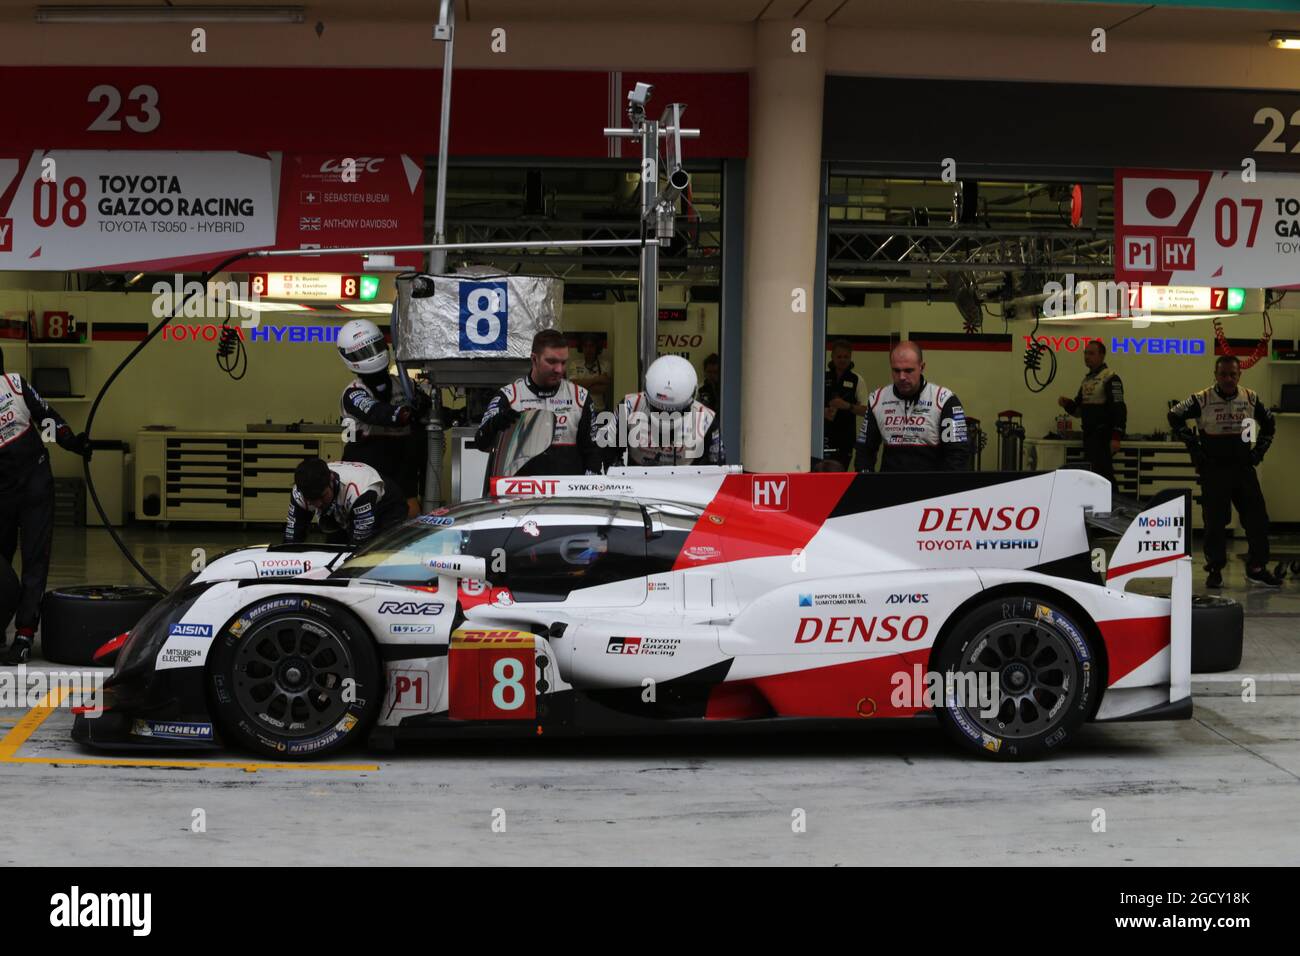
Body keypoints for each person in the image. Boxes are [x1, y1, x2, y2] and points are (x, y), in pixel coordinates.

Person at [0, 354, 93, 664]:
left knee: (34, 560)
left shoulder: (16, 385)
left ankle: (25, 634)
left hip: (34, 487)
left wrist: (73, 443)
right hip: (2, 495)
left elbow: (48, 418)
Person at [1168, 355, 1280, 588]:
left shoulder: (1250, 397)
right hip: (1214, 469)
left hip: (1243, 468)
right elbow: (1174, 415)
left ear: (1240, 375)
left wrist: (1258, 453)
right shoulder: (1202, 398)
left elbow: (1269, 426)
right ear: (1215, 375)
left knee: (1257, 519)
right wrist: (1193, 446)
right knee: (1215, 523)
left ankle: (1257, 567)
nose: (1228, 379)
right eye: (1223, 374)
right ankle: (1215, 569)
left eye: (1233, 374)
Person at [473, 328, 602, 476]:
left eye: (563, 362)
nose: (559, 370)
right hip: (522, 494)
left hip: (566, 494)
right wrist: (494, 425)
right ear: (534, 359)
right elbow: (480, 442)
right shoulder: (510, 396)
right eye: (552, 362)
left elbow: (593, 452)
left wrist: (589, 486)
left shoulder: (580, 397)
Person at [336, 318, 427, 516]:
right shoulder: (353, 393)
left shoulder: (405, 385)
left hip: (402, 467)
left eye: (375, 348)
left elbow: (430, 411)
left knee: (410, 518)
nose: (372, 356)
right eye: (362, 353)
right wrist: (403, 414)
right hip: (365, 466)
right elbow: (374, 412)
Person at [855, 341, 969, 472]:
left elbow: (958, 454)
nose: (902, 377)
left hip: (933, 487)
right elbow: (864, 450)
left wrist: (946, 489)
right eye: (896, 370)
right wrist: (866, 484)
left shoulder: (945, 400)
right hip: (889, 487)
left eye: (908, 370)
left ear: (922, 367)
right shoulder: (877, 399)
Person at [617, 354, 722, 466]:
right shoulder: (629, 407)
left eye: (675, 412)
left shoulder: (706, 420)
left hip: (685, 481)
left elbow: (716, 467)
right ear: (646, 395)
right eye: (658, 410)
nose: (665, 416)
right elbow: (606, 454)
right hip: (636, 479)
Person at [284, 458, 407, 548]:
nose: (318, 504)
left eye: (322, 496)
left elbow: (359, 543)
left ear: (331, 480)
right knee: (332, 550)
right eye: (311, 499)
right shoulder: (299, 494)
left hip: (387, 505)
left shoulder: (359, 492)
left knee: (377, 551)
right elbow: (291, 539)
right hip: (344, 504)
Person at [1057, 339, 1126, 484]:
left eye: (1091, 353)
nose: (1087, 357)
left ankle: (1116, 504)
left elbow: (1119, 408)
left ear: (1102, 356)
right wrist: (1067, 404)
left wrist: (1116, 436)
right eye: (1085, 353)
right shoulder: (1087, 380)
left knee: (1104, 476)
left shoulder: (1110, 378)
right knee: (1094, 477)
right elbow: (1079, 411)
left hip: (1103, 436)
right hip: (1089, 437)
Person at [824, 339, 868, 469]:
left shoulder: (857, 380)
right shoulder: (821, 376)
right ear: (832, 357)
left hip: (845, 440)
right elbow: (807, 406)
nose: (842, 360)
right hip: (821, 438)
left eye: (846, 357)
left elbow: (866, 411)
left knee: (839, 479)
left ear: (850, 357)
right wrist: (822, 412)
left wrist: (847, 406)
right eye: (839, 356)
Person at [569, 334, 611, 413]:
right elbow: (573, 386)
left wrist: (581, 385)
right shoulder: (574, 364)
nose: (588, 349)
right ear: (582, 348)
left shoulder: (605, 365)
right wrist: (597, 379)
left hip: (599, 410)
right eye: (585, 346)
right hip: (579, 411)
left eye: (591, 346)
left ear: (596, 348)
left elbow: (603, 389)